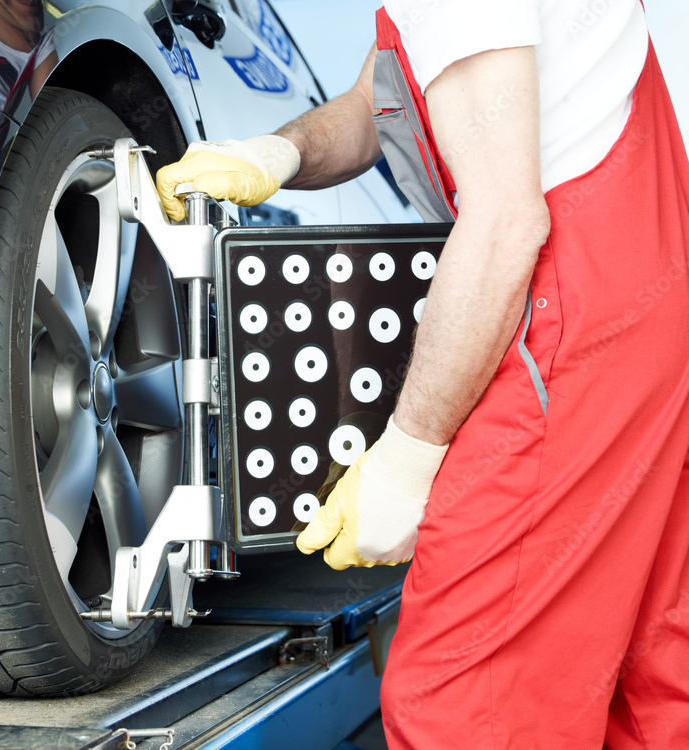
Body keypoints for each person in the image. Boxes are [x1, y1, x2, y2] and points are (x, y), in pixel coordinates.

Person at [157, 1, 689, 746]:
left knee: (465, 702)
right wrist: (278, 153)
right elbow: (380, 99)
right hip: (646, 287)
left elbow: (507, 226)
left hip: (574, 319)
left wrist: (407, 460)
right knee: (655, 674)